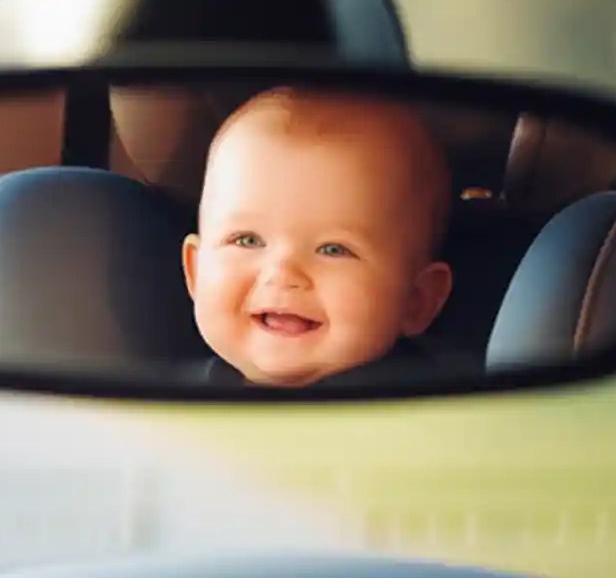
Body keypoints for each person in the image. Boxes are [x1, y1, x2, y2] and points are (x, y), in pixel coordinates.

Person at [181, 87, 454, 388]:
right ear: (196, 271)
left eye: (333, 249)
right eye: (247, 240)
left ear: (417, 300)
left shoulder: (428, 412)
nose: (282, 273)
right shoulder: (161, 406)